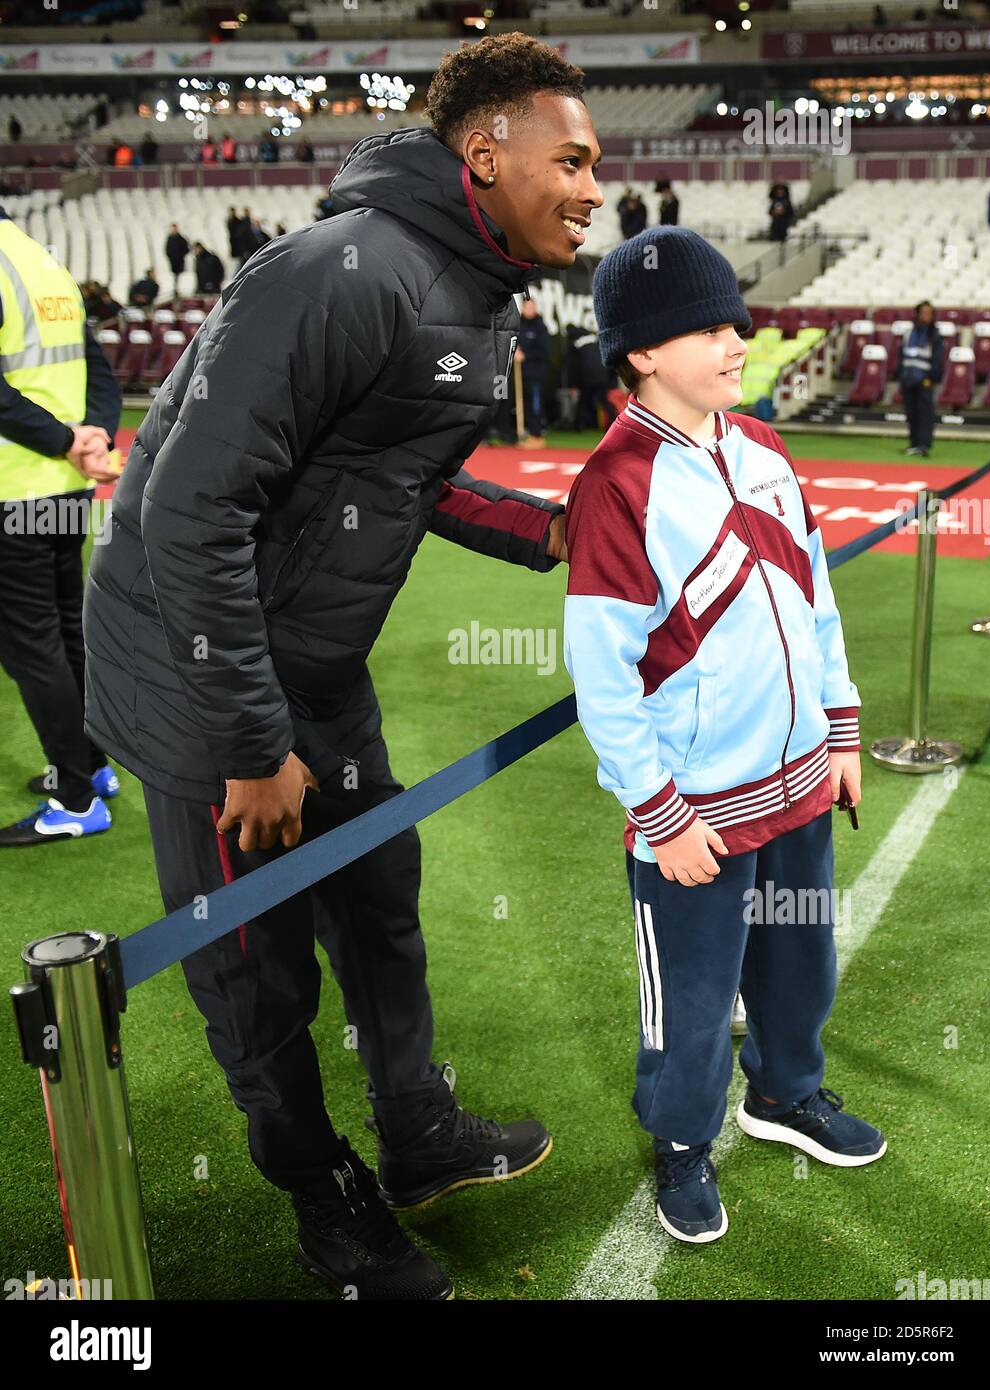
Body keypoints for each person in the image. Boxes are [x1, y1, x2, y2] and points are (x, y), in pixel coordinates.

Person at [83, 31, 601, 1301]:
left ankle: (417, 1132)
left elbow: (405, 479)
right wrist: (255, 745)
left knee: (378, 890)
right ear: (484, 152)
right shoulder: (334, 272)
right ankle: (330, 1208)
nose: (594, 185)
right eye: (571, 158)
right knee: (254, 969)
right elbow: (192, 516)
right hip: (198, 666)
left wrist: (544, 530)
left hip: (310, 661)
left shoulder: (467, 293)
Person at [563, 225, 885, 1246]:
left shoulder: (764, 447)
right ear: (643, 352)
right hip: (695, 814)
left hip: (796, 782)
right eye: (708, 327)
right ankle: (679, 1143)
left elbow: (817, 603)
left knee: (799, 966)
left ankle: (786, 1092)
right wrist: (657, 813)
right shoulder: (615, 483)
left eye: (733, 319)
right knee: (691, 1006)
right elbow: (600, 672)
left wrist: (837, 731)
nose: (736, 340)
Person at [0, 208, 123, 847]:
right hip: (65, 490)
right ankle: (92, 767)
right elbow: (97, 367)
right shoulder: (39, 258)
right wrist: (90, 436)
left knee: (30, 647)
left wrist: (60, 440)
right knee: (66, 633)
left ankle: (74, 798)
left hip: (13, 487)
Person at [897, 300, 944, 457]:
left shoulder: (934, 335)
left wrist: (931, 379)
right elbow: (901, 356)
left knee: (925, 415)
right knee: (911, 414)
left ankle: (924, 445)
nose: (926, 316)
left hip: (924, 381)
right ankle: (914, 444)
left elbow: (938, 360)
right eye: (923, 312)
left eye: (929, 313)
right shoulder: (909, 333)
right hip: (908, 379)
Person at [566, 321, 617, 432]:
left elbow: (573, 367)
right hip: (602, 375)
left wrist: (573, 384)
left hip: (587, 376)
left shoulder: (574, 345)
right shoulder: (595, 340)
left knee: (583, 401)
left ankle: (578, 426)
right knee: (603, 400)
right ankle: (615, 423)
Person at [516, 295, 551, 445]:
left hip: (536, 373)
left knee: (535, 404)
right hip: (521, 373)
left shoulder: (540, 327)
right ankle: (528, 433)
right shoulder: (518, 324)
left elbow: (544, 351)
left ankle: (537, 435)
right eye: (527, 307)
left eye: (532, 307)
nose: (529, 309)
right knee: (526, 403)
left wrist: (526, 356)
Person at [165, 223, 189, 296]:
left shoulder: (181, 238)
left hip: (179, 261)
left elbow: (186, 248)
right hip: (173, 261)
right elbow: (167, 249)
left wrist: (181, 255)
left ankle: (178, 289)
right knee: (174, 275)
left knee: (179, 275)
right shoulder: (169, 238)